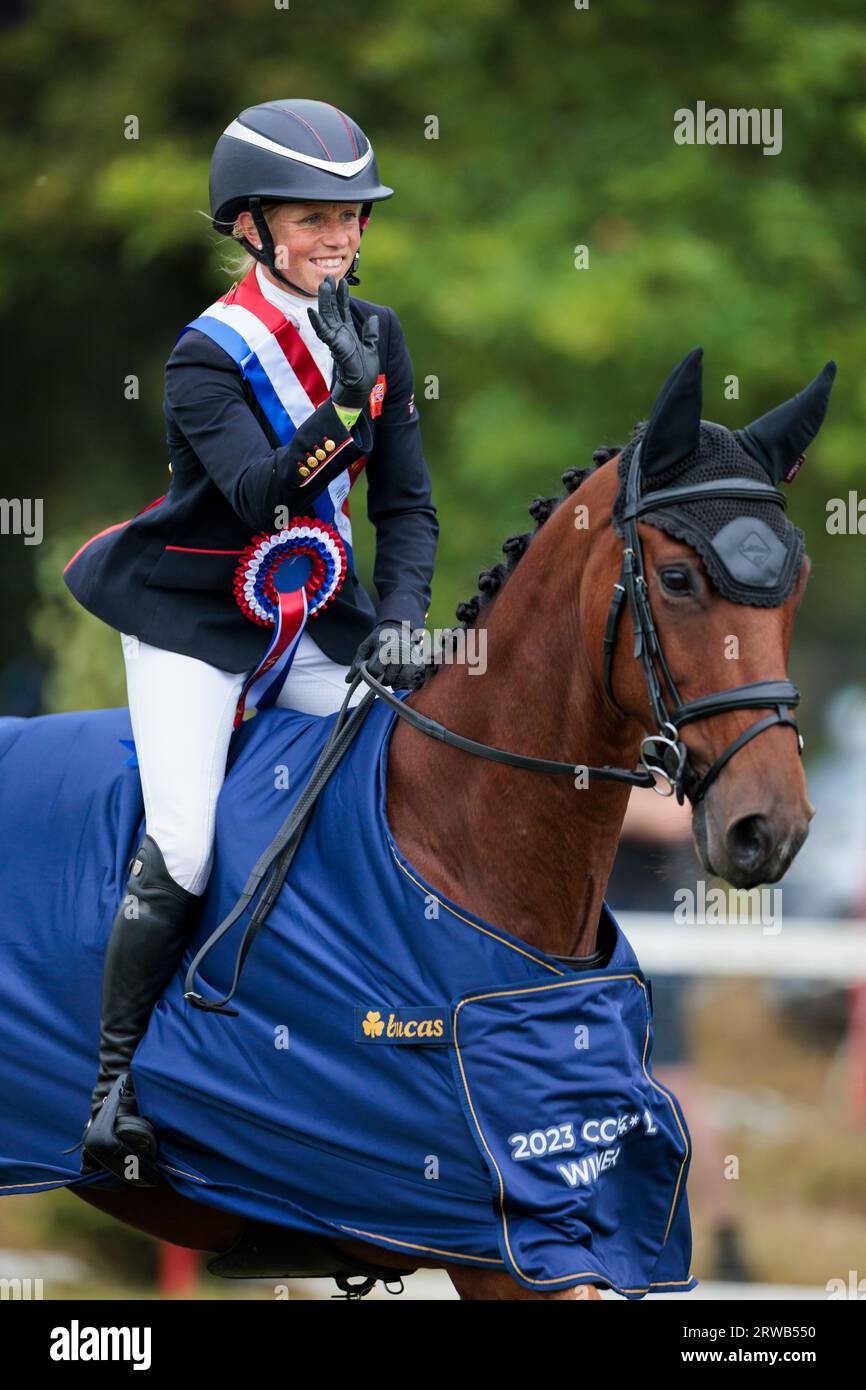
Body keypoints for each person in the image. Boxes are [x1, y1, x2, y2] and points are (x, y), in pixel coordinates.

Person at [62, 99, 438, 1182]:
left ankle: (369, 1052)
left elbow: (405, 507)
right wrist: (339, 404)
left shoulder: (383, 335)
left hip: (316, 616)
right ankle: (111, 1085)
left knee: (388, 792)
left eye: (354, 218)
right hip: (194, 619)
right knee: (185, 840)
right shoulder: (205, 355)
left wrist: (403, 620)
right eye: (316, 219)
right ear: (251, 225)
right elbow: (262, 495)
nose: (342, 240)